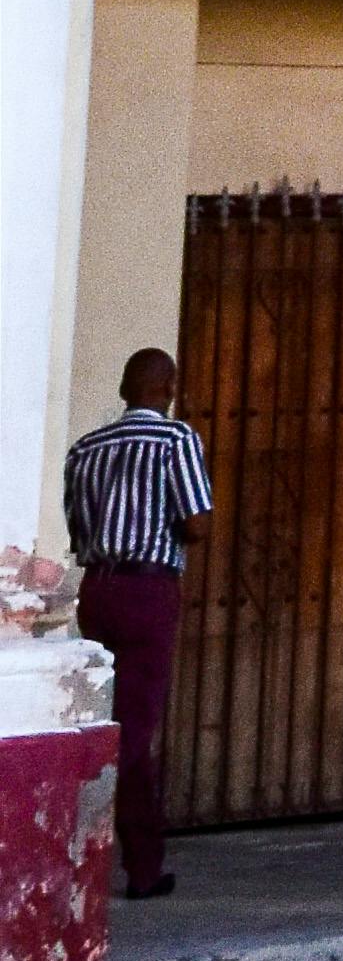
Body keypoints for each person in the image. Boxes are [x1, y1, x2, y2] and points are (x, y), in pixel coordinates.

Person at [63, 346, 213, 899]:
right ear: (168, 387)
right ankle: (85, 831)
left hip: (97, 590)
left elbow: (79, 535)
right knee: (132, 731)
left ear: (126, 389)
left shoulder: (85, 449)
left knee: (110, 721)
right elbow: (196, 524)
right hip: (149, 590)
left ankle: (144, 865)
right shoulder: (177, 440)